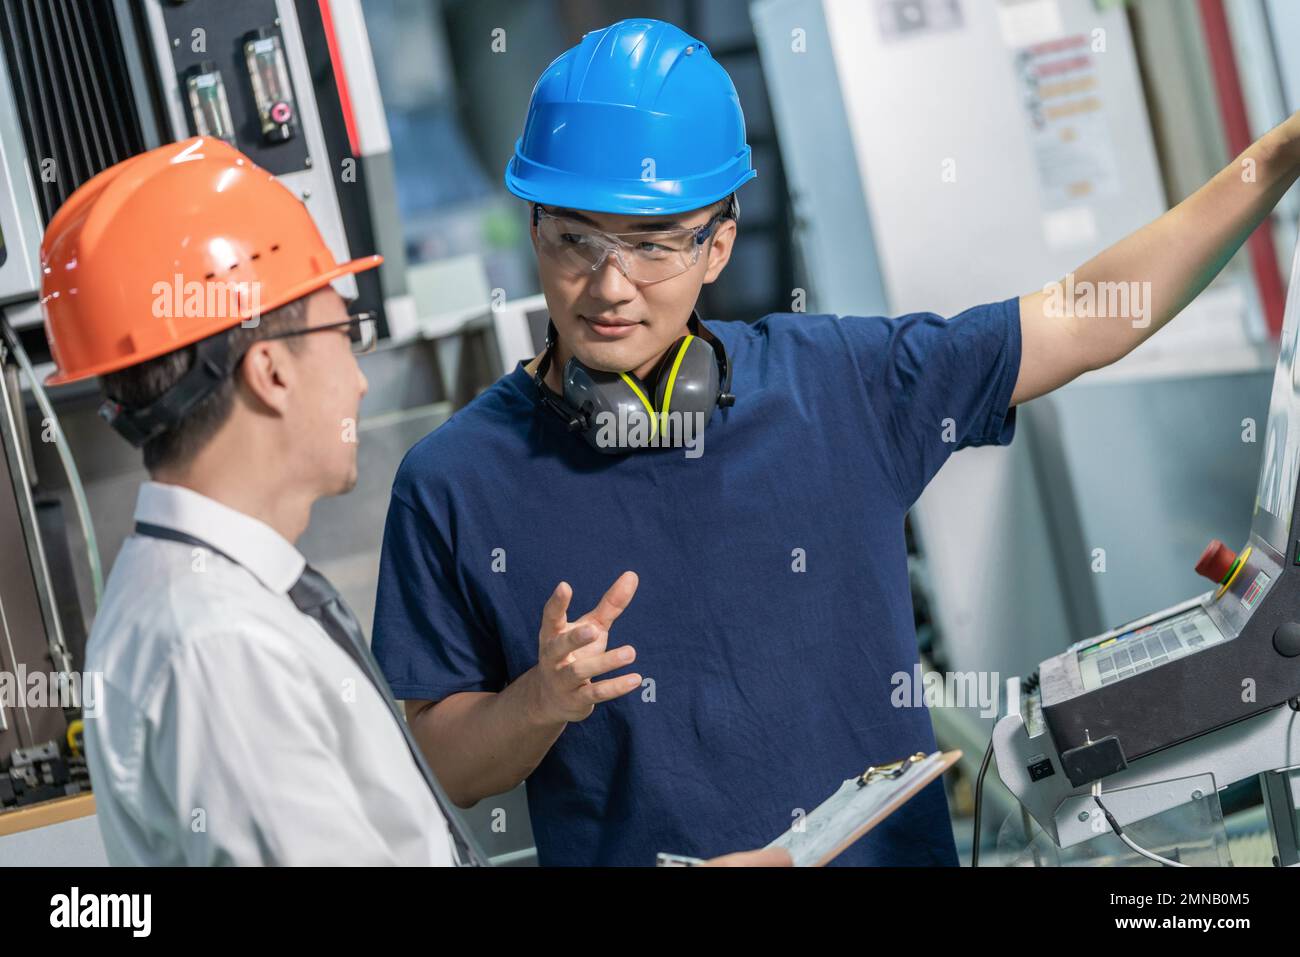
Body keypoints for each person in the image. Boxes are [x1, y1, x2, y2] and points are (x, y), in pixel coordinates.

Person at [371, 17, 1300, 866]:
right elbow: (441, 766)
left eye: (653, 242)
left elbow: (1090, 318)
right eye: (575, 240)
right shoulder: (452, 484)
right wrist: (537, 703)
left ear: (720, 244)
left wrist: (1283, 151)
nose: (609, 285)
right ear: (533, 230)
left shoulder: (838, 385)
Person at [46, 136, 783, 869]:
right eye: (344, 333)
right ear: (270, 372)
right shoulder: (217, 647)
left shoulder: (209, 604)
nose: (361, 380)